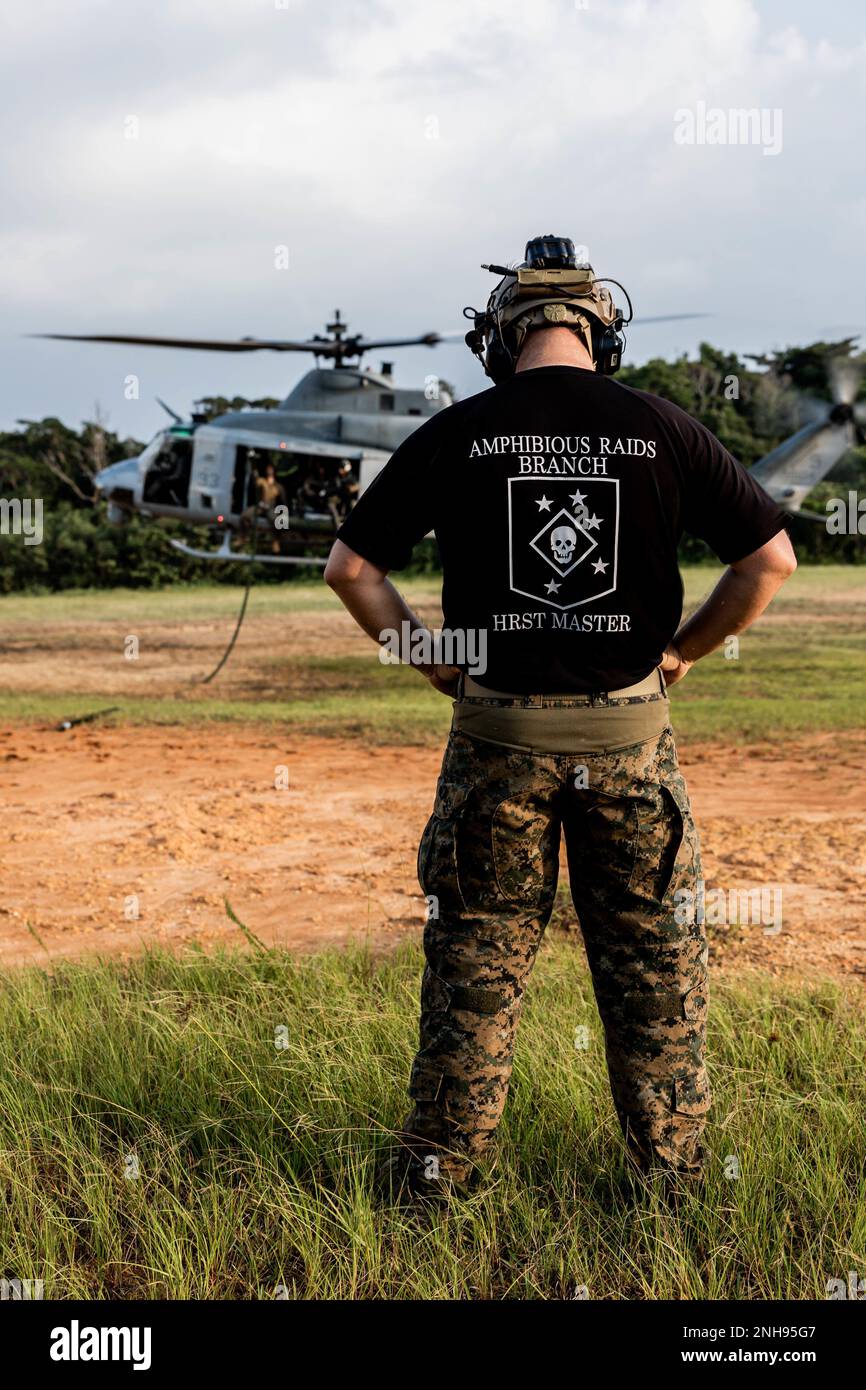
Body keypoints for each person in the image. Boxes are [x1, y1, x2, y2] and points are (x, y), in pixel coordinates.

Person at [324, 236, 796, 1200]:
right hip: (629, 746)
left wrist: (434, 663)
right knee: (655, 976)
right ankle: (671, 1187)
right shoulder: (663, 426)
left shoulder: (461, 431)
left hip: (496, 744)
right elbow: (769, 561)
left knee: (475, 974)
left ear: (502, 336)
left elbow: (351, 571)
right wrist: (683, 652)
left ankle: (435, 1187)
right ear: (599, 327)